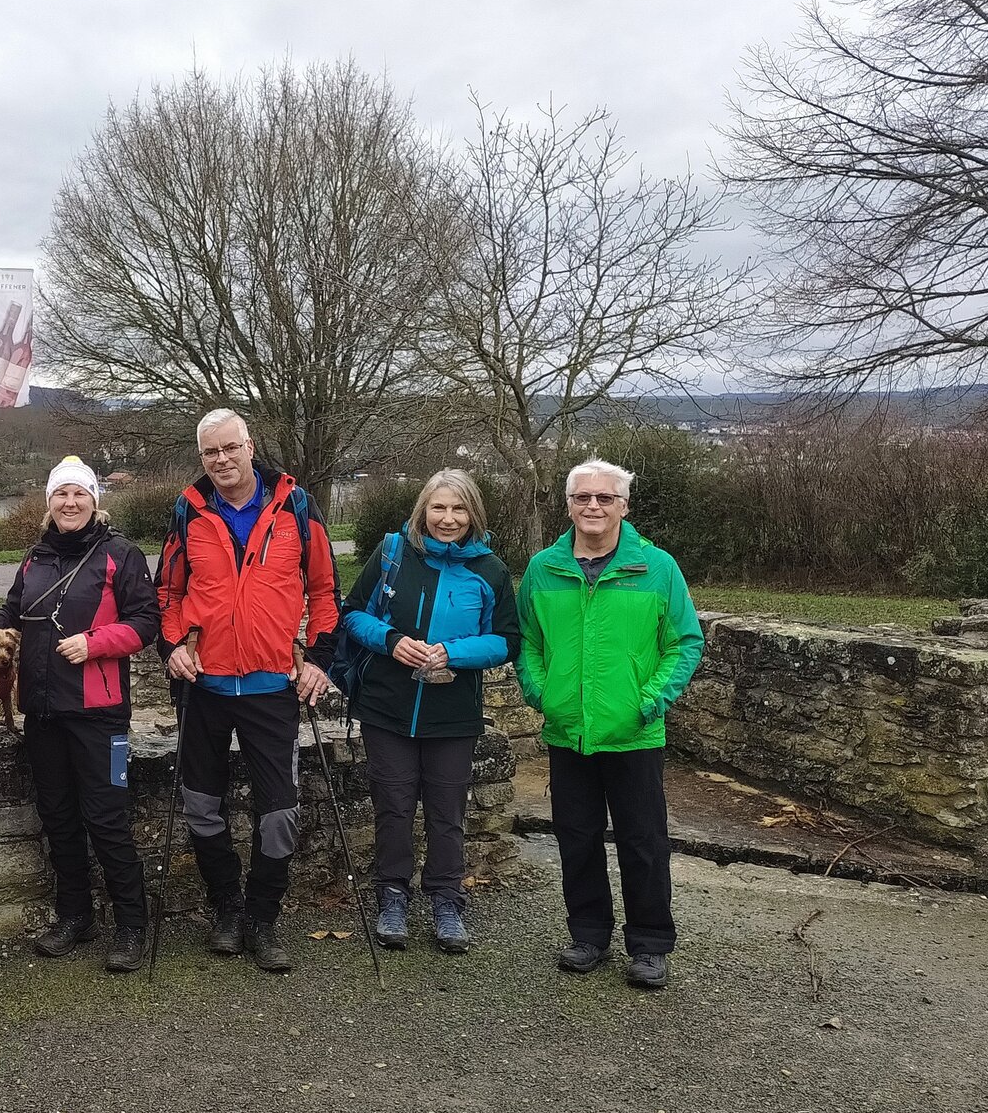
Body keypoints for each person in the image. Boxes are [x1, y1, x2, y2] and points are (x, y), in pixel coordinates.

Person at [156, 408, 340, 973]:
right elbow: (167, 592)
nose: (222, 460)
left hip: (271, 685)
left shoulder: (294, 506)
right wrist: (173, 649)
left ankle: (263, 917)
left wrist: (320, 660)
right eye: (210, 452)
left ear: (250, 445)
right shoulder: (189, 509)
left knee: (279, 812)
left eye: (230, 448)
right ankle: (226, 909)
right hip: (204, 684)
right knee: (202, 806)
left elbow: (326, 591)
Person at [517, 458, 704, 990]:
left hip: (634, 733)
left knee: (643, 842)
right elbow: (528, 641)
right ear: (569, 505)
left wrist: (649, 701)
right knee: (575, 838)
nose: (593, 506)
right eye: (582, 498)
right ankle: (588, 934)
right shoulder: (544, 568)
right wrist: (540, 693)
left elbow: (685, 643)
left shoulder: (657, 567)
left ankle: (648, 944)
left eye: (604, 498)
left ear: (624, 505)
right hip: (567, 730)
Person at [0, 457, 160, 973]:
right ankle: (75, 915)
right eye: (60, 494)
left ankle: (132, 925)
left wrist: (95, 643)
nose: (69, 503)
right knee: (59, 820)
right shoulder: (34, 558)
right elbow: (11, 613)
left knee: (107, 822)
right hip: (42, 712)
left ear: (94, 500)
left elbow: (146, 621)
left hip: (99, 714)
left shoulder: (120, 555)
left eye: (78, 494)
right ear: (49, 503)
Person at [338, 470, 517, 956]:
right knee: (393, 807)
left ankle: (446, 899)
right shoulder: (394, 552)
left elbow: (507, 640)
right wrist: (392, 642)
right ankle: (392, 896)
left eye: (459, 510)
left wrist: (452, 653)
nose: (448, 519)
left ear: (473, 515)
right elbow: (352, 612)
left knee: (447, 811)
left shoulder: (491, 571)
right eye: (438, 508)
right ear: (423, 511)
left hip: (452, 712)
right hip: (387, 707)